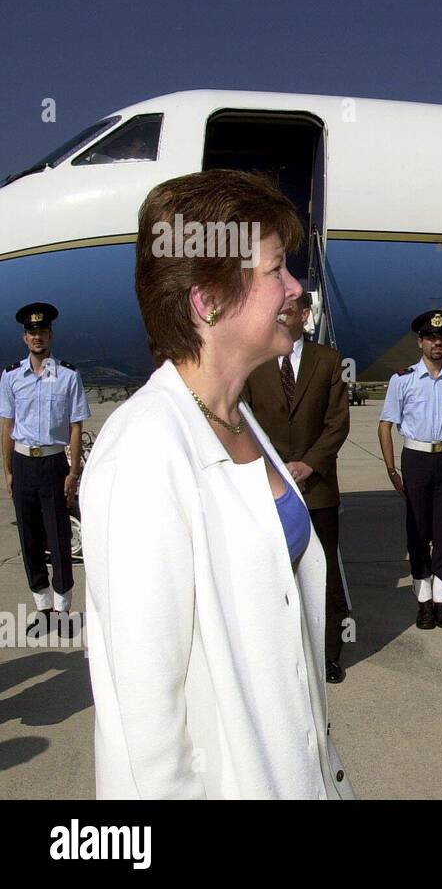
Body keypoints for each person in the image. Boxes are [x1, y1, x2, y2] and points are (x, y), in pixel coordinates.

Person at [80, 169, 354, 799]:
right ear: (207, 301)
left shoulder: (237, 415)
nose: (295, 288)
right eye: (277, 270)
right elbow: (147, 723)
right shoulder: (145, 449)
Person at [243, 287, 351, 683]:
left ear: (306, 314)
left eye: (291, 310)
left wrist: (308, 465)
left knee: (324, 575)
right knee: (273, 575)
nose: (283, 316)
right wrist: (272, 468)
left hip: (317, 487)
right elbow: (245, 422)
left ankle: (329, 655)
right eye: (278, 310)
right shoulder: (255, 363)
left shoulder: (328, 361)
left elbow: (337, 423)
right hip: (270, 489)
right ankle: (281, 657)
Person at [379, 310, 442, 630]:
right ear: (420, 342)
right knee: (418, 532)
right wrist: (392, 470)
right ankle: (423, 601)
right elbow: (385, 427)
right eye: (431, 338)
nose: (438, 342)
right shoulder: (402, 379)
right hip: (416, 460)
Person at [1, 302, 90, 639]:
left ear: (50, 335)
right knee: (30, 539)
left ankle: (63, 610)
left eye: (42, 331)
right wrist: (7, 471)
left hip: (54, 463)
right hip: (23, 463)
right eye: (32, 332)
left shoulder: (68, 376)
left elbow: (75, 428)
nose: (37, 336)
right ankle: (42, 610)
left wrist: (73, 472)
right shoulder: (10, 377)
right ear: (25, 338)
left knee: (59, 536)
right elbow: (7, 425)